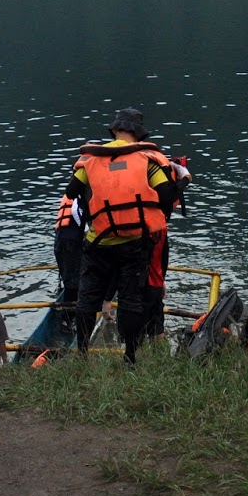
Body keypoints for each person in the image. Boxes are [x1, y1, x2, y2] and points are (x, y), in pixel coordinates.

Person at [65, 106, 178, 364]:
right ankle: (130, 357)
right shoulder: (148, 159)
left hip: (99, 240)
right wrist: (182, 180)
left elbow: (72, 192)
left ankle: (81, 353)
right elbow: (166, 197)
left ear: (115, 129)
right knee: (130, 300)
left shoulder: (91, 159)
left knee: (87, 298)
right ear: (137, 134)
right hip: (134, 243)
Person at [144, 153, 192, 339]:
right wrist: (186, 179)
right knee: (153, 290)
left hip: (131, 240)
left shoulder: (144, 174)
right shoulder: (159, 219)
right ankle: (157, 336)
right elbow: (168, 196)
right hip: (153, 235)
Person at [53, 193, 84, 333]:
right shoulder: (78, 195)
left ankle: (69, 316)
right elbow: (78, 215)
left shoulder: (76, 192)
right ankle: (68, 320)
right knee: (73, 283)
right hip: (69, 245)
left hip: (65, 243)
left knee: (72, 280)